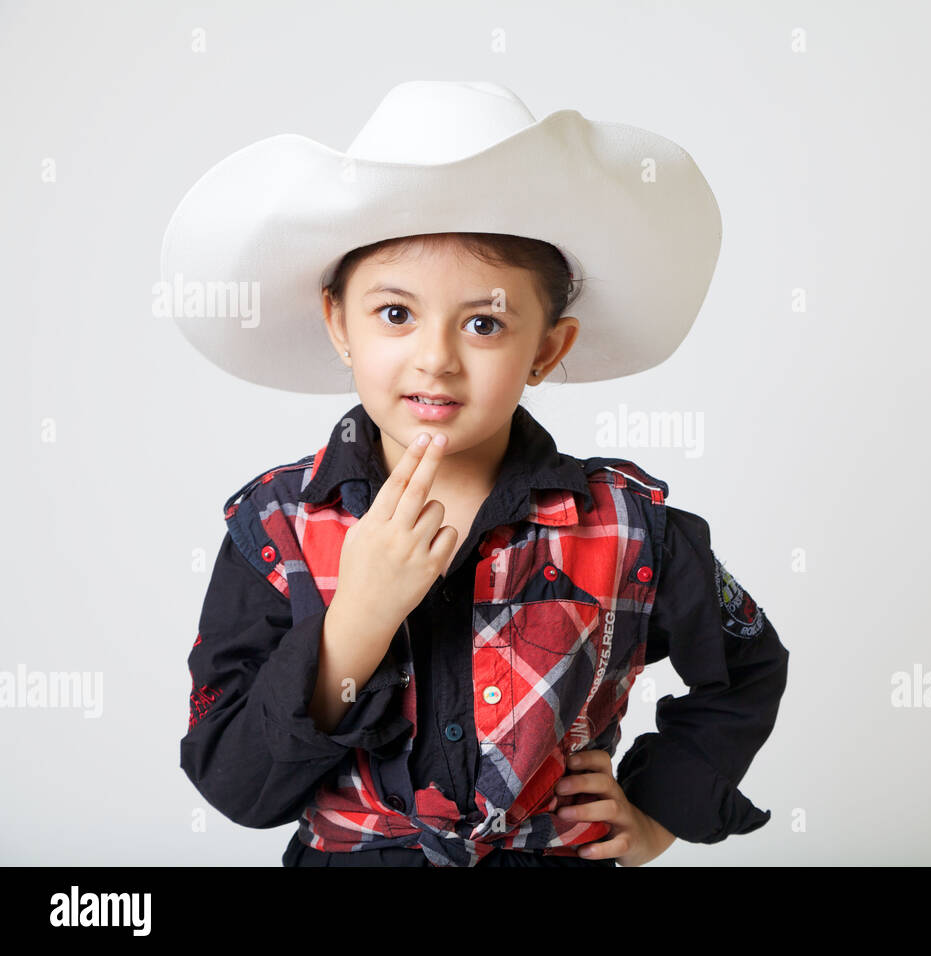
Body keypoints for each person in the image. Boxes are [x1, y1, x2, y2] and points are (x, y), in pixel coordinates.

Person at [166, 81, 790, 867]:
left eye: (485, 323)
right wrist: (356, 619)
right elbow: (237, 786)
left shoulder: (627, 528)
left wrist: (659, 809)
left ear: (547, 351)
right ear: (338, 323)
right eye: (396, 313)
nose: (436, 357)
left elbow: (748, 665)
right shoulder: (277, 527)